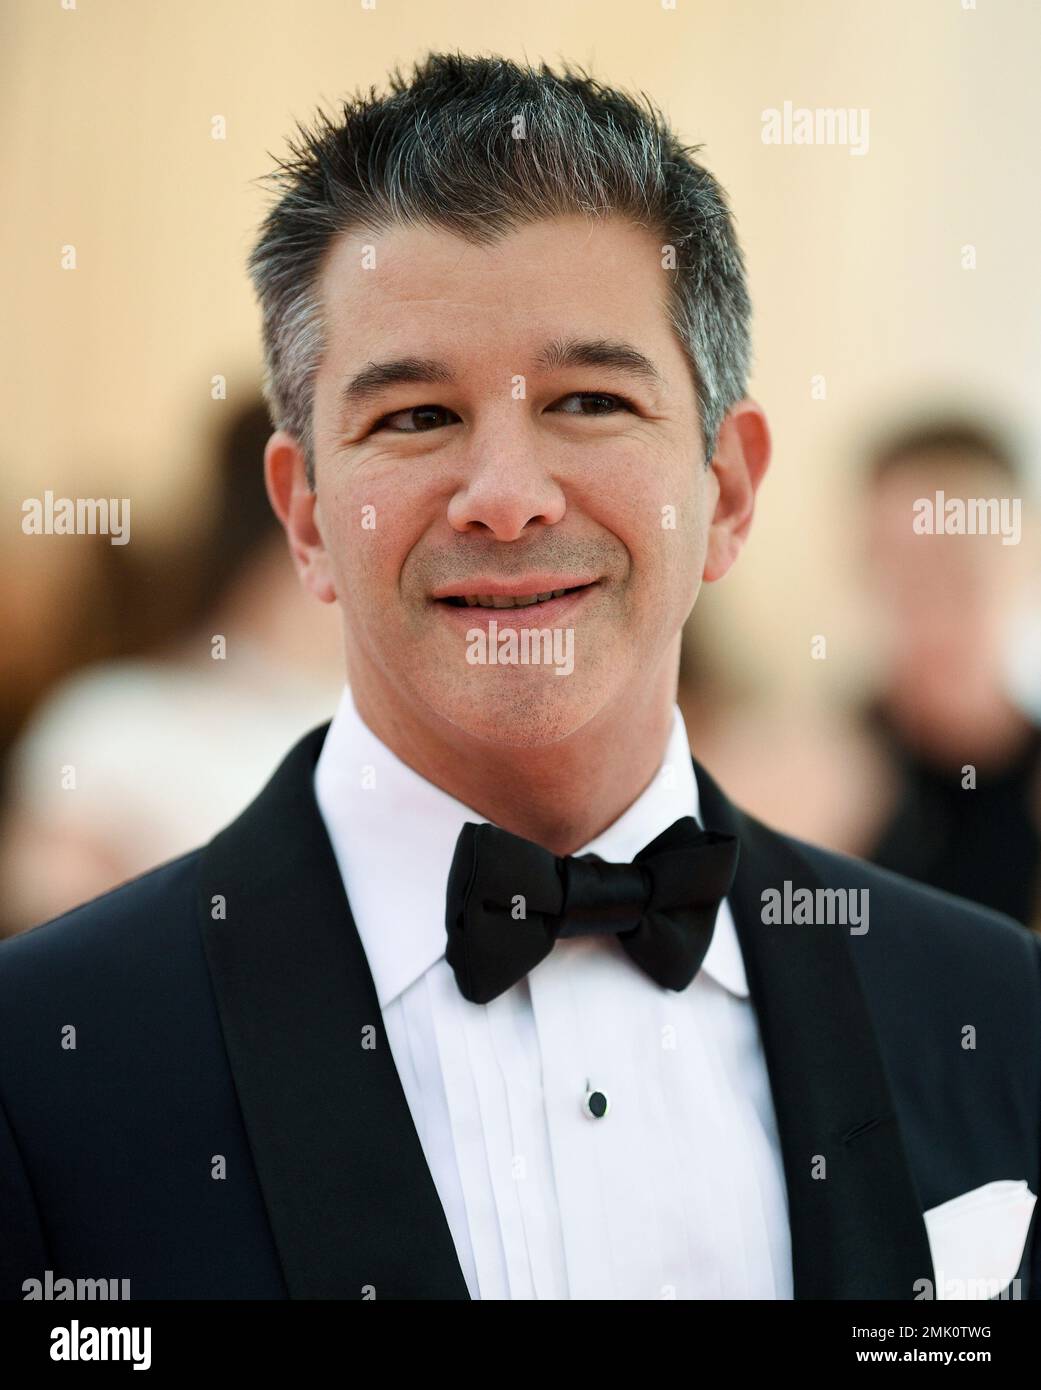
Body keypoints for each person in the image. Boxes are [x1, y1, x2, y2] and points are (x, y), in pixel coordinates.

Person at [1, 52, 1038, 1302]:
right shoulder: (46, 1063)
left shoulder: (996, 1012)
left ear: (728, 488)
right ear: (308, 516)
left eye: (589, 399)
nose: (505, 497)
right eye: (416, 417)